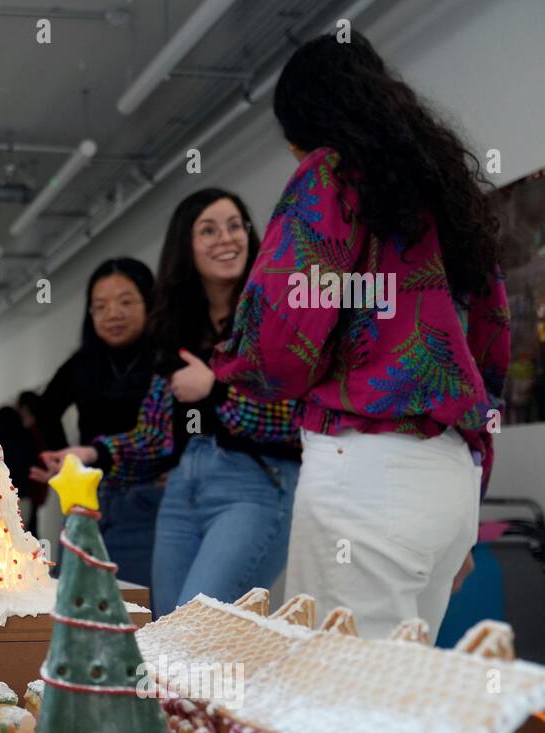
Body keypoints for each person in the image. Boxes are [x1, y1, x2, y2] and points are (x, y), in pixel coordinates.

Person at [212, 33, 509, 641]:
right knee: (397, 697)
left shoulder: (332, 173)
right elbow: (491, 348)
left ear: (304, 127)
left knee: (340, 701)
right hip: (450, 478)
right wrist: (467, 496)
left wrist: (230, 366)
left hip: (367, 474)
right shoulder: (448, 197)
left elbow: (281, 336)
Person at [36, 191, 301, 613]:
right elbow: (156, 435)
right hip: (182, 487)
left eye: (235, 226)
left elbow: (295, 418)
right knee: (166, 630)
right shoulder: (177, 329)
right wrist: (94, 452)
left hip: (253, 483)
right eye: (208, 230)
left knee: (198, 627)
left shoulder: (274, 313)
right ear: (187, 245)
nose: (226, 238)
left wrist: (214, 389)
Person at [28, 258, 161, 587]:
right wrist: (63, 459)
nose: (113, 314)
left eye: (126, 301)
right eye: (99, 306)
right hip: (90, 491)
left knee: (135, 605)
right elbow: (45, 408)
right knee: (74, 600)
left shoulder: (165, 358)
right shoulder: (83, 363)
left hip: (148, 497)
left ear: (151, 302)